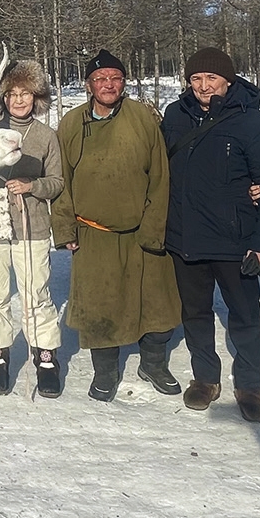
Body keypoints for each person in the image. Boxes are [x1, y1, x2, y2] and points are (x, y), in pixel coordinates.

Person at [51, 51, 183, 402]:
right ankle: (105, 371)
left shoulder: (141, 117)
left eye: (115, 78)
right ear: (89, 85)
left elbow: (160, 176)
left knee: (158, 305)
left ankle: (153, 364)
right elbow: (60, 178)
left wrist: (155, 228)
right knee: (100, 307)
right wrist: (65, 229)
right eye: (100, 79)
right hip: (95, 233)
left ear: (123, 82)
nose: (108, 85)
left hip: (143, 231)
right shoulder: (72, 123)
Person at [162, 47, 260, 422]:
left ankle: (250, 385)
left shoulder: (252, 123)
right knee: (195, 312)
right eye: (196, 79)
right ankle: (205, 378)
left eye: (211, 78)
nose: (203, 86)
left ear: (228, 81)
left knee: (245, 314)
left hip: (235, 240)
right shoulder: (174, 116)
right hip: (185, 237)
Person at [0, 60, 65, 397]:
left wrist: (32, 185)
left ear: (36, 97)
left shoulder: (45, 137)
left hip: (31, 226)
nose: (19, 100)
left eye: (25, 93)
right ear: (3, 97)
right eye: (12, 93)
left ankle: (46, 357)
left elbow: (57, 181)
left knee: (36, 294)